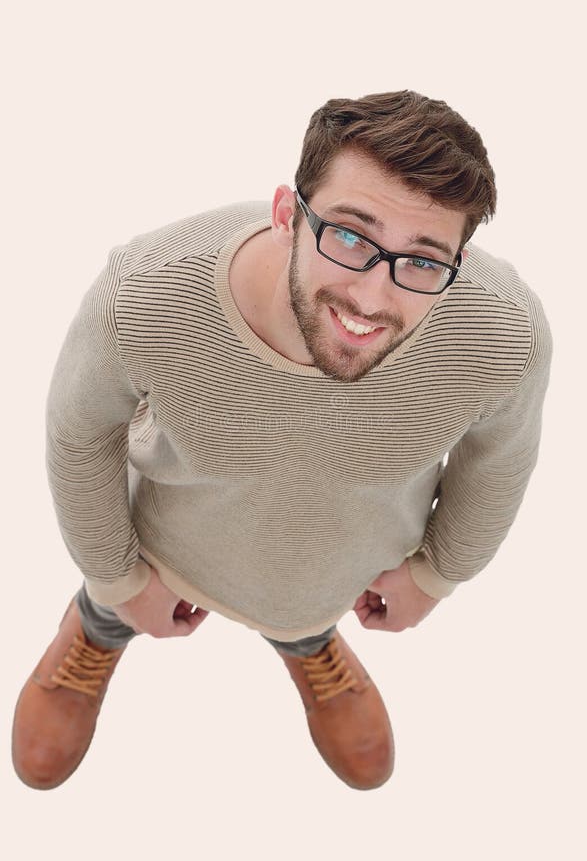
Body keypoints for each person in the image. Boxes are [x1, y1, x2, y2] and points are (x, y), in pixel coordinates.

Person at [11, 90, 552, 792]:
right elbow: (78, 438)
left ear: (459, 259)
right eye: (351, 236)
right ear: (285, 214)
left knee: (299, 600)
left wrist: (437, 574)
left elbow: (500, 464)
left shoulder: (505, 335)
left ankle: (305, 632)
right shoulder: (144, 294)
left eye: (421, 259)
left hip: (334, 560)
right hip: (167, 540)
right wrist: (117, 581)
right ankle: (96, 627)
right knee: (114, 605)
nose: (370, 297)